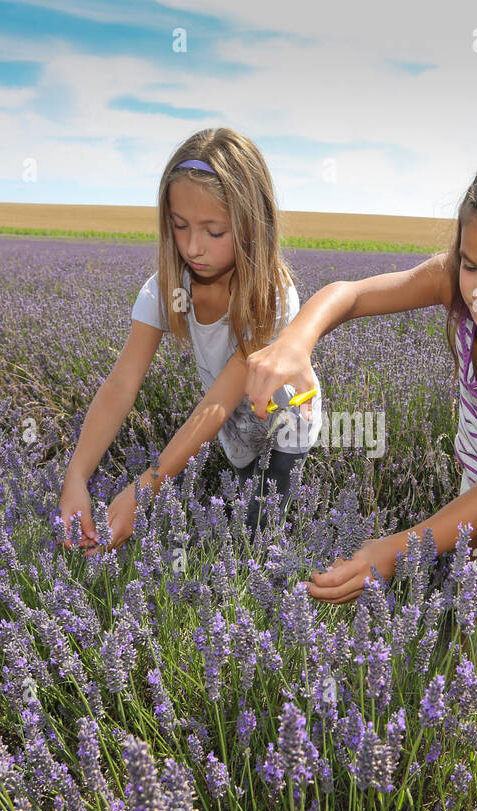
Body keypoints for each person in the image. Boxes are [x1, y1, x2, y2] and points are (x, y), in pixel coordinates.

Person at [245, 146, 477, 672]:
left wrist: (388, 553)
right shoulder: (450, 283)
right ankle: (461, 690)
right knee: (474, 596)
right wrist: (295, 343)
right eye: (471, 265)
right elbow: (348, 296)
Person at [59, 127, 322, 553]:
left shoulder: (271, 296)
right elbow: (120, 387)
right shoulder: (167, 289)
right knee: (237, 502)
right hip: (231, 433)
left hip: (284, 428)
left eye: (214, 232)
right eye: (180, 226)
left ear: (254, 225)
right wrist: (76, 475)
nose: (193, 247)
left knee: (258, 543)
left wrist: (145, 489)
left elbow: (218, 404)